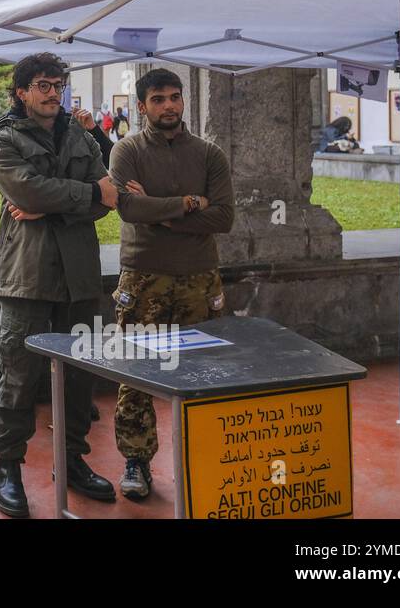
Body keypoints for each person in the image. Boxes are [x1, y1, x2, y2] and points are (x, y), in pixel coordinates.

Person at [0, 52, 118, 518]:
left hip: (79, 274)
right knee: (19, 375)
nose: (52, 93)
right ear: (21, 92)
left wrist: (54, 201)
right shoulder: (3, 140)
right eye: (42, 85)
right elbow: (28, 192)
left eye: (57, 85)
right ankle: (8, 468)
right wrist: (79, 195)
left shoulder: (81, 135)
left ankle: (72, 461)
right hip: (29, 274)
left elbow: (111, 198)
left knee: (80, 375)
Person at [108, 68, 235, 501]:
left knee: (205, 370)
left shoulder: (209, 154)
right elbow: (127, 207)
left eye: (175, 97)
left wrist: (158, 212)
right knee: (138, 373)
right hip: (144, 277)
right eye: (158, 99)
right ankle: (136, 462)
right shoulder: (126, 151)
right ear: (142, 106)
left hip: (201, 278)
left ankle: (203, 460)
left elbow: (223, 218)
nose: (169, 106)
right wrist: (186, 204)